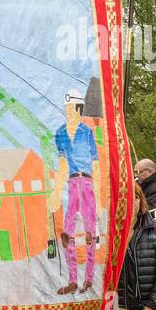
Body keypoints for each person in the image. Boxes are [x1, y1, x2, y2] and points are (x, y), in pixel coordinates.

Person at [51, 89, 101, 295]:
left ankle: (88, 278)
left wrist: (96, 190)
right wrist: (55, 192)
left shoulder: (87, 132)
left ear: (79, 109)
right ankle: (73, 279)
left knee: (89, 233)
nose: (72, 112)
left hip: (87, 183)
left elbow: (96, 162)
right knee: (67, 233)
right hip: (72, 184)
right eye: (68, 108)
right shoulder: (60, 133)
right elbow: (62, 164)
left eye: (75, 108)